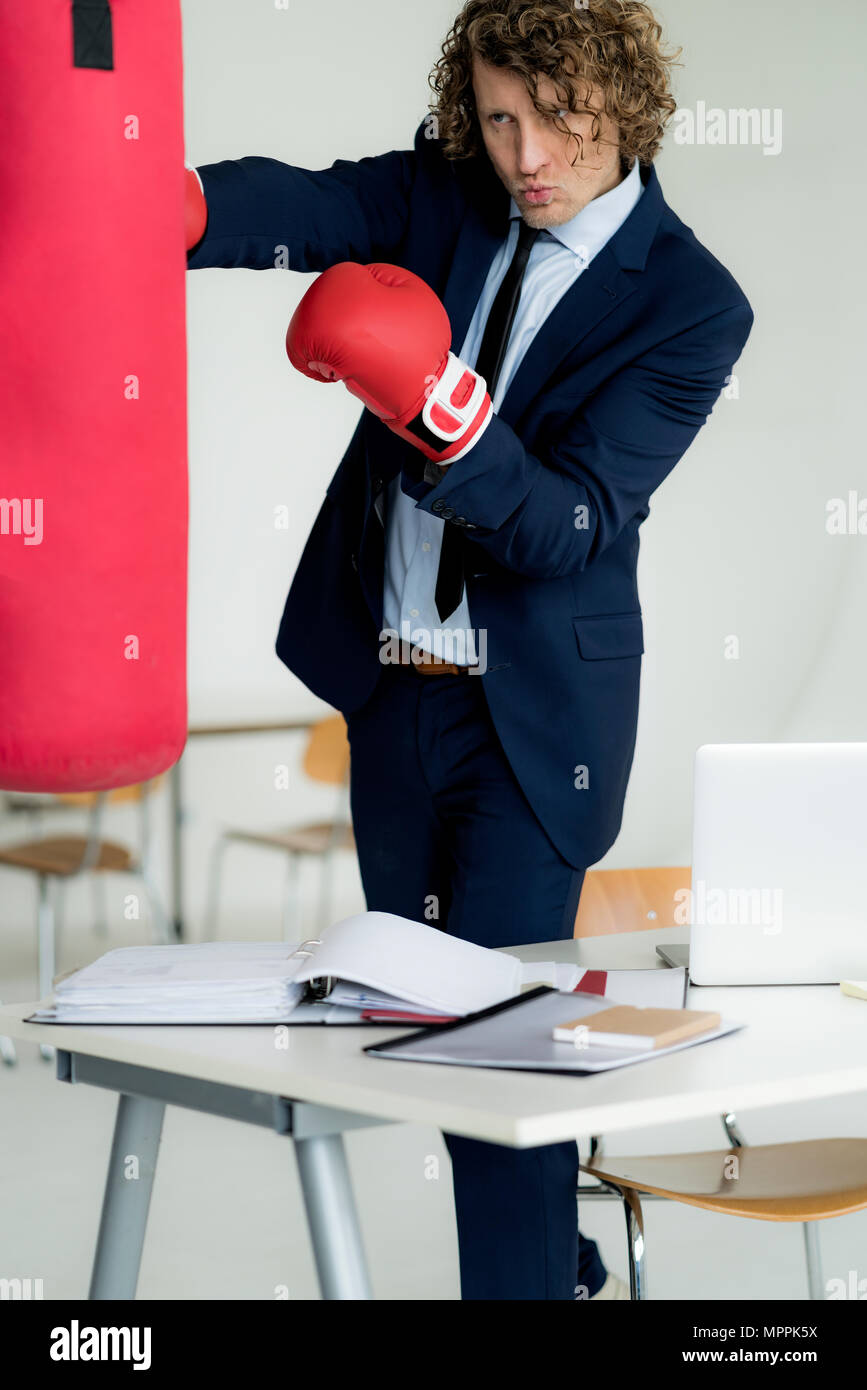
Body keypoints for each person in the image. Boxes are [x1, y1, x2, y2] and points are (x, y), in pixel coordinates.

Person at [187, 0, 753, 1300]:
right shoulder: (454, 191)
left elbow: (570, 523)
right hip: (394, 699)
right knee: (441, 1044)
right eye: (498, 117)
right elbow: (320, 207)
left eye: (558, 117)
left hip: (531, 730)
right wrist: (169, 207)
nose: (525, 152)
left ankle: (523, 1280)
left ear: (625, 104)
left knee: (500, 1061)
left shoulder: (691, 306)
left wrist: (441, 404)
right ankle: (550, 1267)